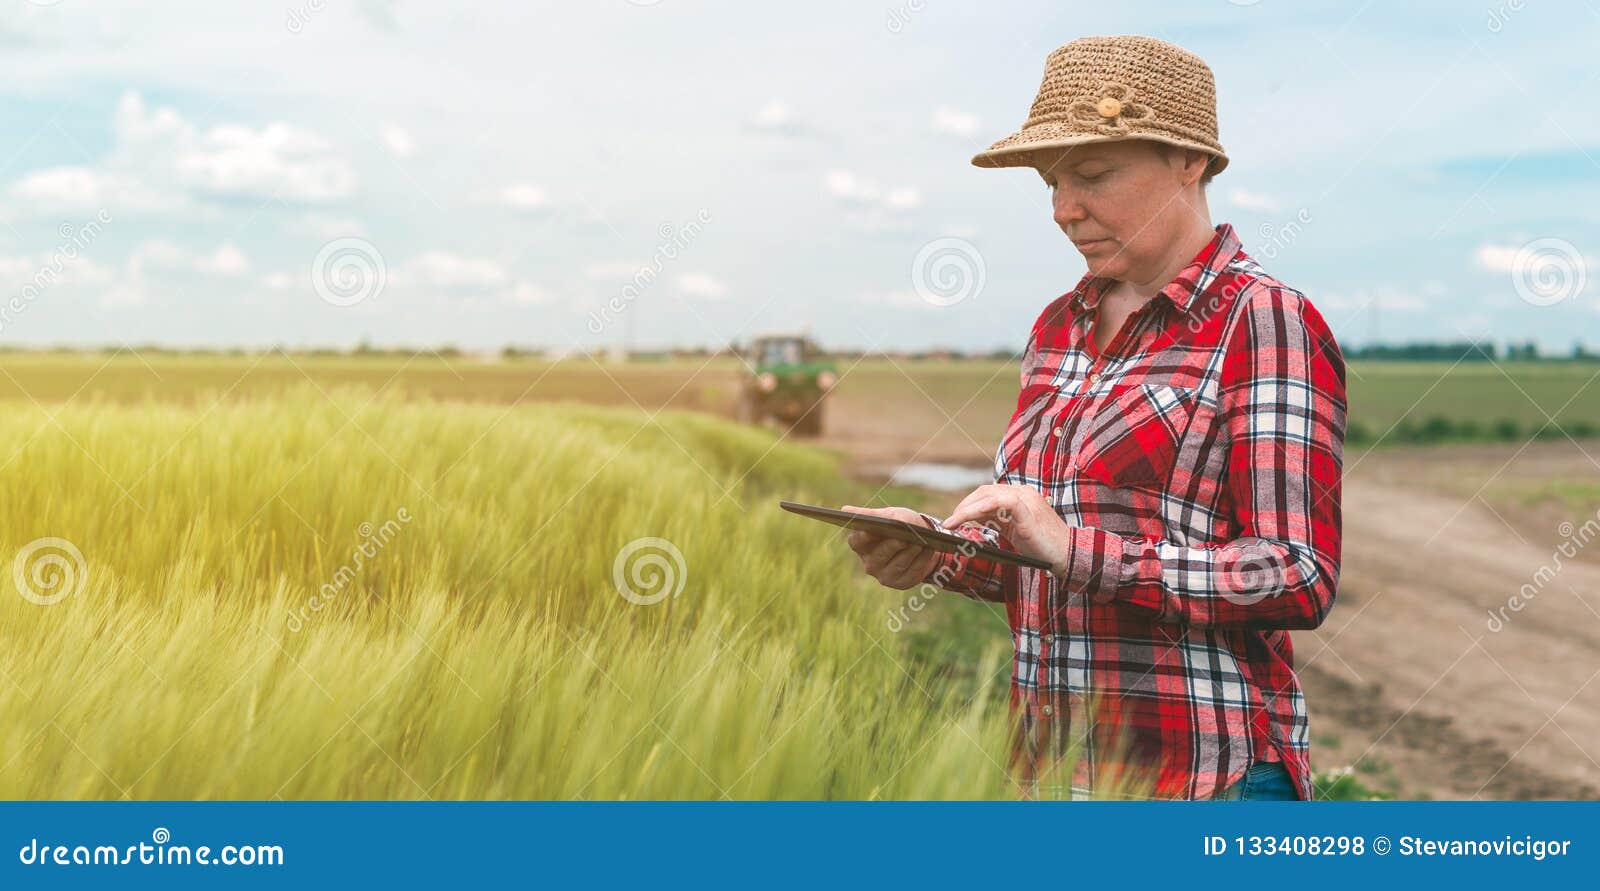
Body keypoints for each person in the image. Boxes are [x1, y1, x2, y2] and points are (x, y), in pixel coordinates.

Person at [843, 34, 1346, 801]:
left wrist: (1077, 549)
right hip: (1052, 781)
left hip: (1204, 783)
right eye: (1052, 182)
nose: (1062, 209)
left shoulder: (1262, 319)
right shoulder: (1056, 327)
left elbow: (1297, 573)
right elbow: (1045, 563)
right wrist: (937, 549)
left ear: (1190, 160)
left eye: (1094, 174)